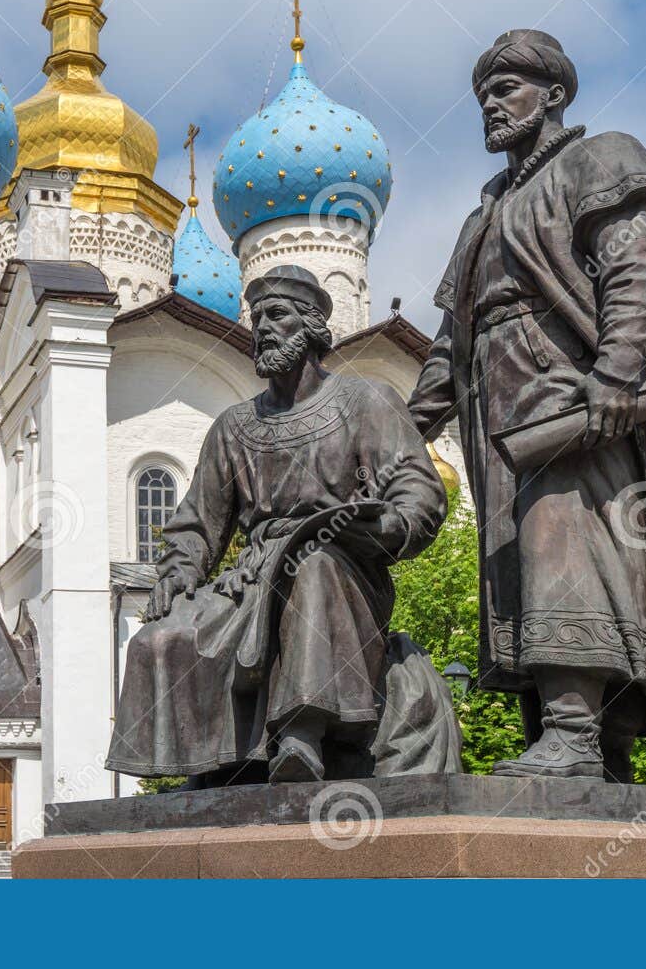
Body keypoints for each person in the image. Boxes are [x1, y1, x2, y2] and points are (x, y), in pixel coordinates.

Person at [408, 29, 646, 781]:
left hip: (568, 394)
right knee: (521, 562)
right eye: (483, 95)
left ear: (552, 94)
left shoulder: (600, 158)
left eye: (506, 89)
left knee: (567, 540)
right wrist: (401, 429)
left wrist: (614, 371)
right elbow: (451, 341)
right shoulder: (483, 216)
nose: (491, 105)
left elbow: (635, 267)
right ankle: (594, 753)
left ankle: (575, 733)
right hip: (496, 402)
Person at [107, 266, 458, 784]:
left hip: (346, 569)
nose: (263, 329)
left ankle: (301, 737)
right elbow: (197, 523)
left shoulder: (368, 401)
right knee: (160, 637)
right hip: (253, 578)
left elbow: (417, 489)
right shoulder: (233, 427)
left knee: (314, 564)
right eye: (256, 320)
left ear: (311, 326)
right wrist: (177, 573)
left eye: (276, 315)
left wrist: (385, 525)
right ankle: (203, 773)